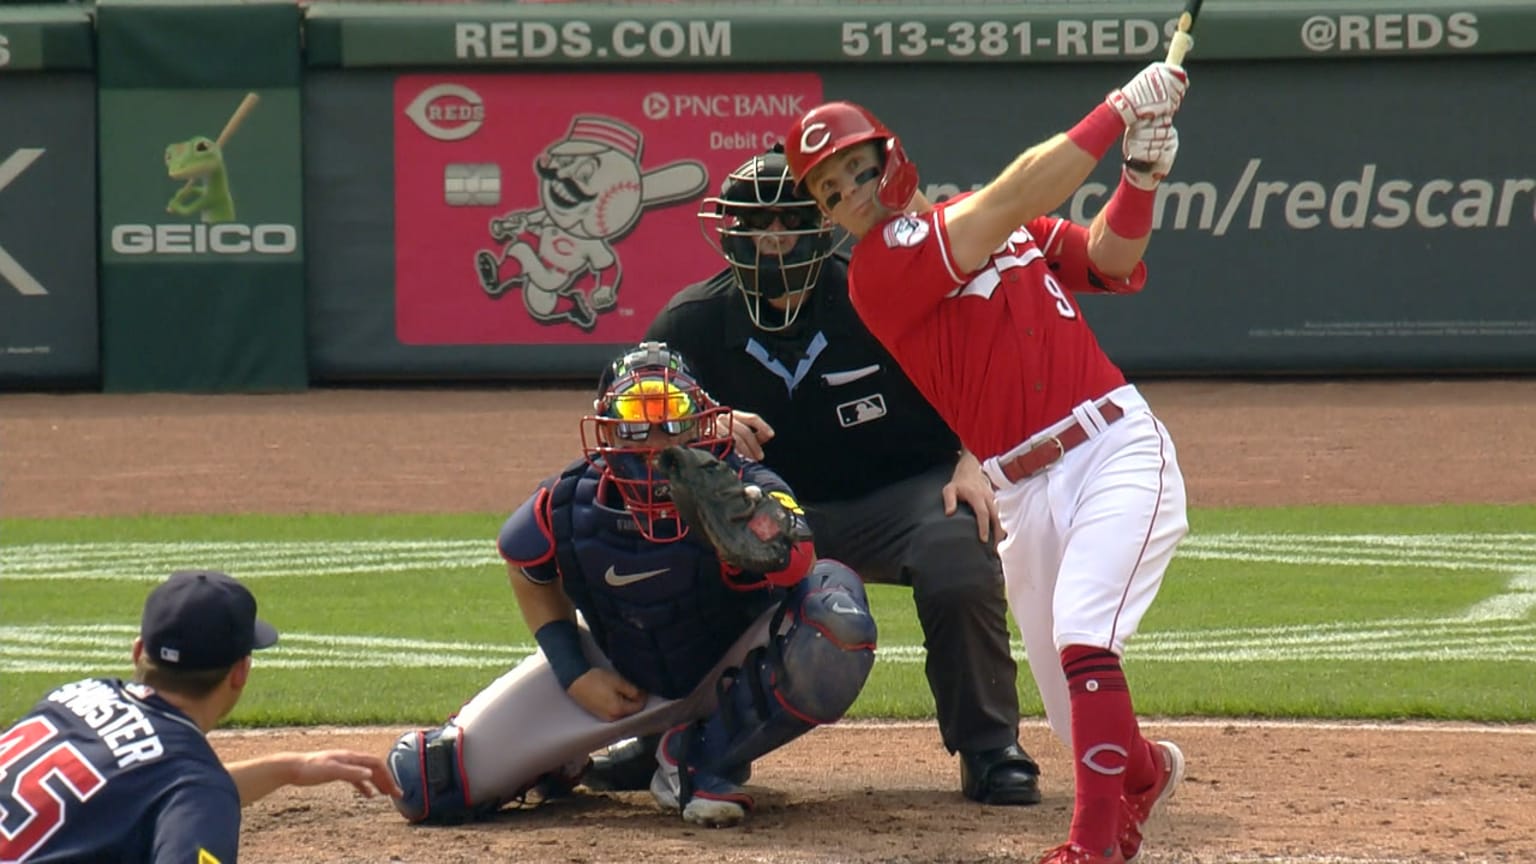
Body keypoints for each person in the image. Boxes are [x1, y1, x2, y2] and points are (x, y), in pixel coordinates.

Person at [783, 62, 1193, 864]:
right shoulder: (881, 267)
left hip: (1112, 445)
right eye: (831, 194)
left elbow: (1111, 256)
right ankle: (1142, 772)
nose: (851, 196)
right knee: (1078, 720)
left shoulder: (988, 227)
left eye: (855, 170)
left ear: (889, 154)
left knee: (1084, 638)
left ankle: (1093, 847)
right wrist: (1117, 112)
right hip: (1025, 490)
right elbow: (1015, 194)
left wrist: (1140, 175)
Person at [597, 145, 1041, 807]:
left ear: (821, 223)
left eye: (789, 220)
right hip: (760, 509)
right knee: (666, 548)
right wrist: (701, 428)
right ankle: (677, 735)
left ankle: (989, 746)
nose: (772, 238)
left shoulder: (880, 293)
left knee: (957, 546)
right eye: (755, 223)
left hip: (901, 495)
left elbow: (985, 369)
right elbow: (624, 417)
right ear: (728, 232)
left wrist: (975, 461)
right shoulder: (692, 323)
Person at [385, 341, 878, 829]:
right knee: (427, 779)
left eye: (673, 415)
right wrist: (573, 672)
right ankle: (567, 760)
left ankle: (699, 756)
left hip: (730, 668)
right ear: (609, 428)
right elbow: (524, 566)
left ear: (700, 419)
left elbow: (799, 562)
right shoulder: (566, 501)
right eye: (637, 418)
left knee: (837, 622)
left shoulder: (744, 482)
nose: (657, 438)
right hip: (621, 678)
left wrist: (755, 527)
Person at [0, 569, 401, 864]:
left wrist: (289, 769)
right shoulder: (193, 785)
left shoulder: (75, 695)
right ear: (240, 672)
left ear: (139, 651)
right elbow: (182, 793)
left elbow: (140, 789)